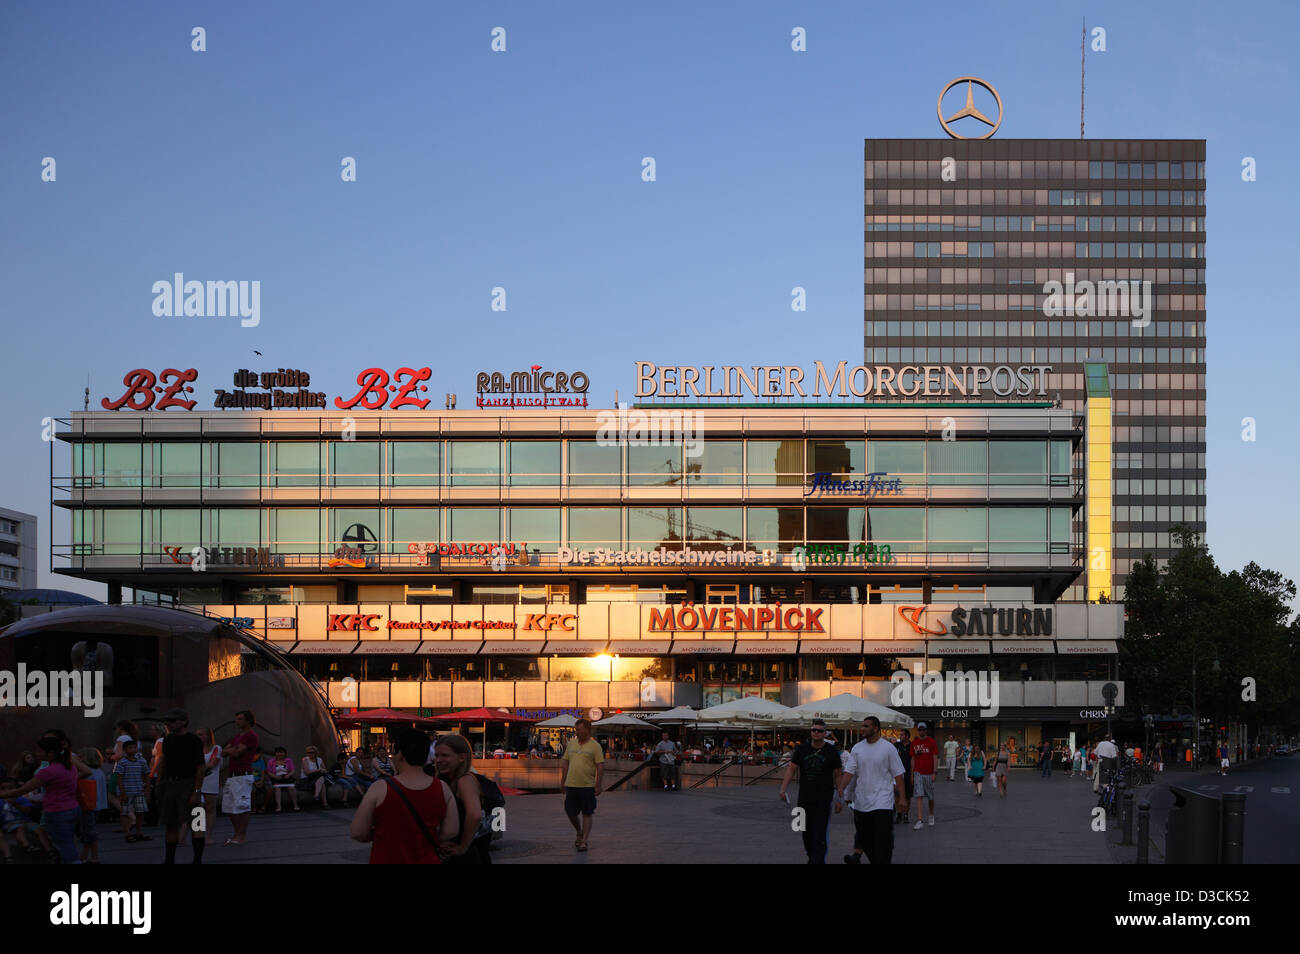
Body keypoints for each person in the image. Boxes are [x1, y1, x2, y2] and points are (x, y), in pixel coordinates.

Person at [350, 727, 458, 864]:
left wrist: (382, 834)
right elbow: (451, 831)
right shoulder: (443, 788)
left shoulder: (380, 788)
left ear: (400, 755)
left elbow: (358, 832)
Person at [0, 733, 90, 864]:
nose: (37, 754)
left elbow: (23, 790)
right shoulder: (69, 767)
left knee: (63, 844)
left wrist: (2, 794)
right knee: (68, 842)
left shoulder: (49, 771)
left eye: (40, 751)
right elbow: (85, 772)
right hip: (72, 808)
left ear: (51, 753)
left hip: (57, 811)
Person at [838, 716, 906, 865]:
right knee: (864, 838)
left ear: (876, 728)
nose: (862, 729)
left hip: (882, 802)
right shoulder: (857, 748)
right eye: (862, 726)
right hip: (861, 802)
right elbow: (849, 772)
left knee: (883, 839)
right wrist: (842, 790)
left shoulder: (888, 748)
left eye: (866, 726)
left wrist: (902, 798)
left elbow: (899, 774)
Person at [778, 719, 842, 864]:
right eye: (814, 730)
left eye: (820, 730)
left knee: (819, 832)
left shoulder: (831, 751)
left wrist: (839, 796)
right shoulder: (802, 749)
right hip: (804, 798)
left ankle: (817, 860)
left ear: (825, 733)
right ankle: (811, 855)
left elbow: (838, 774)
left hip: (823, 798)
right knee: (805, 831)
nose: (816, 733)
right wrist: (783, 789)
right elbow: (792, 769)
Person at [152, 708, 206, 865]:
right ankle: (169, 860)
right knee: (171, 823)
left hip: (188, 784)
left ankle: (197, 860)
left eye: (172, 721)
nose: (168, 724)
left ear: (183, 722)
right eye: (167, 721)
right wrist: (159, 782)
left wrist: (196, 790)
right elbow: (164, 760)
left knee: (196, 823)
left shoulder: (194, 740)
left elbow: (200, 767)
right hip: (169, 784)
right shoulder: (168, 740)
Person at [433, 734, 490, 864]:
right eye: (436, 755)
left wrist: (463, 846)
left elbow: (474, 814)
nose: (439, 760)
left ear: (462, 757)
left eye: (445, 755)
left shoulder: (465, 780)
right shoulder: (446, 780)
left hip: (466, 855)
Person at [560, 718, 604, 852]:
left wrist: (598, 785)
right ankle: (579, 831)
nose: (576, 732)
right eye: (576, 729)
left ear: (586, 730)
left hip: (587, 786)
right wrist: (562, 781)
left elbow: (600, 766)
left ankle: (584, 841)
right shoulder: (571, 744)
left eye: (579, 729)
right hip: (571, 784)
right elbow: (565, 762)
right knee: (570, 811)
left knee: (587, 812)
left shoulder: (595, 746)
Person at [221, 709, 258, 846]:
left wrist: (231, 750)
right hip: (232, 776)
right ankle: (237, 833)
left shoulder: (251, 736)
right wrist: (232, 750)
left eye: (240, 719)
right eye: (236, 719)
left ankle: (240, 836)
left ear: (248, 721)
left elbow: (236, 753)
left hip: (243, 776)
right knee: (228, 807)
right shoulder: (236, 737)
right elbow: (224, 752)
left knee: (242, 808)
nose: (237, 721)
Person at [114, 738, 151, 842]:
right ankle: (127, 833)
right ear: (125, 750)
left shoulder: (142, 761)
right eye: (130, 748)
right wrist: (122, 792)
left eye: (134, 747)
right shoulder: (122, 762)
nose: (133, 750)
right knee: (124, 812)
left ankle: (138, 832)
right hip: (126, 791)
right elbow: (119, 778)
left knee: (140, 812)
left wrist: (147, 788)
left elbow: (146, 774)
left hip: (139, 790)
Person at [79, 748, 108, 863]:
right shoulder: (99, 771)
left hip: (88, 805)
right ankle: (84, 855)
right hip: (97, 805)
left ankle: (95, 857)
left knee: (89, 832)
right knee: (88, 831)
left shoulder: (87, 773)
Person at [909, 722, 940, 829]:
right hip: (918, 772)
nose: (921, 731)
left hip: (929, 772)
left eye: (923, 729)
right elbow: (912, 758)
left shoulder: (931, 742)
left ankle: (931, 814)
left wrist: (935, 772)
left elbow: (935, 757)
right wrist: (912, 774)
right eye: (919, 730)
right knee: (919, 796)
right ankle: (920, 820)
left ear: (926, 730)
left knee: (930, 796)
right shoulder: (914, 743)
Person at [195, 729, 222, 836]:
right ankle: (198, 834)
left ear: (208, 736)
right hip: (197, 781)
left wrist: (199, 770)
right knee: (197, 808)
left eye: (201, 734)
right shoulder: (195, 749)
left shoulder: (216, 748)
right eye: (196, 735)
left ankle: (208, 835)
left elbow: (212, 764)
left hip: (210, 780)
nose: (198, 737)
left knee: (210, 808)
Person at [267, 747, 299, 811]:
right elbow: (269, 772)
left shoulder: (288, 760)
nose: (279, 754)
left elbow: (292, 770)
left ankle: (295, 805)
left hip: (286, 777)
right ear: (275, 753)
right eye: (278, 752)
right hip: (276, 778)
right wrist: (275, 776)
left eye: (281, 752)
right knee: (277, 788)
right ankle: (279, 806)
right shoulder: (271, 761)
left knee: (291, 788)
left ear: (285, 753)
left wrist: (288, 775)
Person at [894, 730, 912, 823]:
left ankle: (906, 814)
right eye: (900, 735)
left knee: (907, 795)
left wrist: (913, 775)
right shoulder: (896, 746)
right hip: (897, 773)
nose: (900, 736)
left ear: (907, 736)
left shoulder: (912, 746)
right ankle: (899, 813)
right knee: (897, 794)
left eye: (902, 735)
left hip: (908, 773)